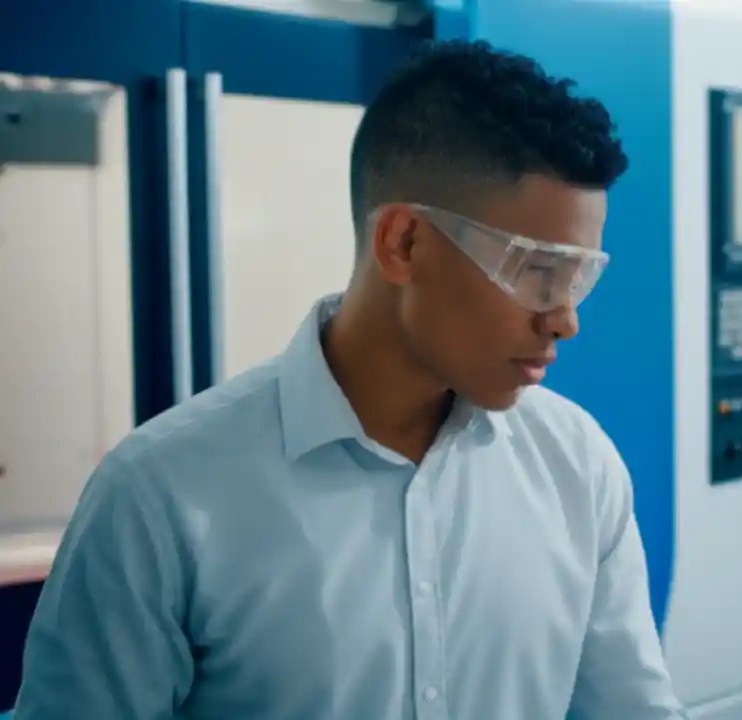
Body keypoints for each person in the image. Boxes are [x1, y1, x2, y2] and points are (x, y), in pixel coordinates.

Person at [15, 39, 686, 720]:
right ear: (404, 242)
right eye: (538, 270)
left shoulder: (576, 466)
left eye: (579, 276)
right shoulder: (163, 494)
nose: (565, 319)